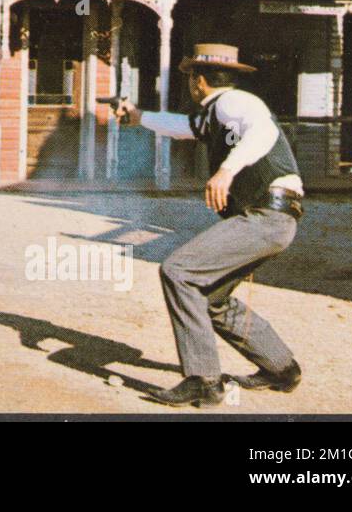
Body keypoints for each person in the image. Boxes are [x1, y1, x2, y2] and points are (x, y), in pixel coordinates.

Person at [114, 43, 303, 408]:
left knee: (178, 271)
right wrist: (138, 116)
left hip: (266, 216)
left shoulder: (236, 104)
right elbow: (184, 126)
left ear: (197, 80)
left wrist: (225, 171)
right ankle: (280, 368)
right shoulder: (216, 111)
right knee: (213, 298)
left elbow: (262, 132)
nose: (189, 83)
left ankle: (203, 380)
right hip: (273, 218)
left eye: (190, 77)